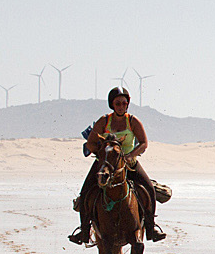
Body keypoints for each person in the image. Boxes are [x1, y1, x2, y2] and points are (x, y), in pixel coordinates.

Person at [69, 87, 165, 245]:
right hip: (106, 162)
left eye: (124, 103)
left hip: (128, 162)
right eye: (118, 103)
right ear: (112, 105)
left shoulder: (133, 121)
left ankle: (151, 227)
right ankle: (84, 231)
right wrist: (101, 155)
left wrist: (129, 155)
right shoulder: (104, 121)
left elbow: (143, 143)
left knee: (148, 189)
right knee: (86, 192)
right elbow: (91, 143)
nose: (121, 106)